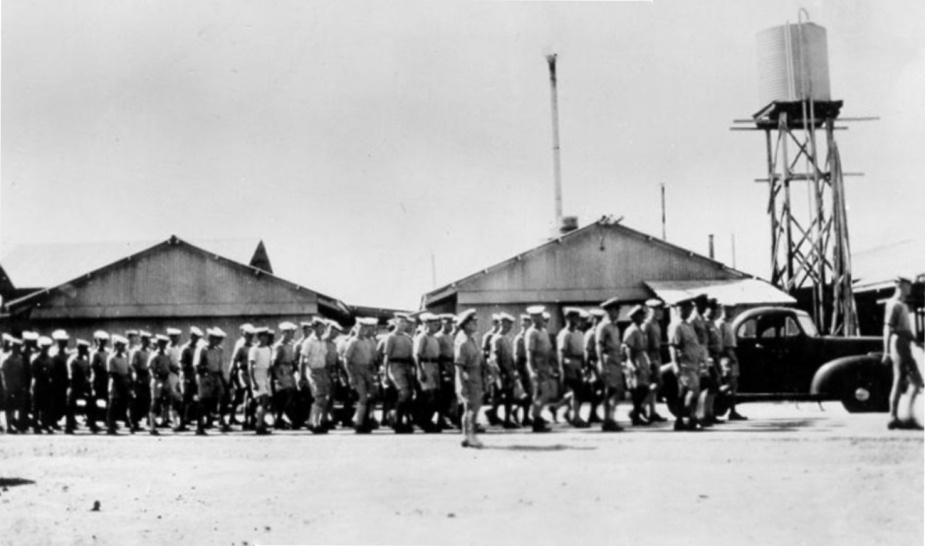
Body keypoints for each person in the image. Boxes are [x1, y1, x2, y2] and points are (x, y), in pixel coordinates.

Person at [883, 276, 923, 429]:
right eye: (908, 285)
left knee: (917, 381)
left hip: (905, 343)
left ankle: (909, 416)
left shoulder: (903, 305)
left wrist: (916, 342)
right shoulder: (893, 304)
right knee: (899, 379)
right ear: (900, 285)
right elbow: (888, 327)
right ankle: (893, 417)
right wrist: (886, 351)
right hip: (898, 343)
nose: (910, 288)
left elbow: (907, 329)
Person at [668, 299, 702, 431]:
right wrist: (675, 365)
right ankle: (690, 418)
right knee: (691, 391)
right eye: (685, 309)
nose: (688, 311)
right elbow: (673, 346)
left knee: (684, 393)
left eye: (689, 309)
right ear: (679, 309)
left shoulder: (687, 325)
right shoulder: (676, 325)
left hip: (693, 364)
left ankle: (681, 420)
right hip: (684, 365)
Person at [455, 309, 484, 448]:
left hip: (475, 376)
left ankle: (467, 436)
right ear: (466, 324)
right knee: (471, 408)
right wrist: (462, 384)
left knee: (473, 408)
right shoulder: (463, 342)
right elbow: (459, 366)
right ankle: (469, 436)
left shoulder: (472, 340)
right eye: (473, 321)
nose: (476, 323)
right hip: (468, 377)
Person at [595, 298, 625, 432]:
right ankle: (608, 420)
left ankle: (610, 419)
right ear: (609, 311)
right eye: (615, 310)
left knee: (617, 391)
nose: (617, 313)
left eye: (618, 310)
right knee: (611, 391)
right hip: (608, 361)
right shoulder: (603, 326)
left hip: (616, 360)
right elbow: (599, 346)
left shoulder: (614, 326)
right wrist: (601, 365)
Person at [383, 313, 416, 433]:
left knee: (409, 393)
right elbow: (386, 357)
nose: (403, 324)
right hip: (395, 365)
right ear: (396, 322)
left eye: (405, 322)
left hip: (407, 366)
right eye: (401, 322)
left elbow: (412, 355)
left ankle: (405, 421)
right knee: (403, 392)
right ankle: (397, 421)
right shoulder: (391, 337)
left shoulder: (407, 337)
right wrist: (386, 374)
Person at [557, 308, 590, 428]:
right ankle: (576, 417)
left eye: (577, 318)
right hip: (569, 364)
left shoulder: (579, 333)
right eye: (573, 317)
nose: (576, 320)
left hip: (579, 365)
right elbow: (561, 353)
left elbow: (582, 353)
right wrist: (562, 370)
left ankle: (567, 413)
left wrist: (585, 366)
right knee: (577, 391)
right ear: (567, 319)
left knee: (580, 392)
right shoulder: (564, 334)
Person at [344, 318, 378, 433]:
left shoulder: (368, 341)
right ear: (355, 329)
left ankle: (365, 421)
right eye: (360, 328)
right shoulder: (353, 341)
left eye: (365, 328)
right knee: (362, 397)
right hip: (357, 371)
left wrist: (373, 369)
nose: (363, 330)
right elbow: (346, 360)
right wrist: (350, 376)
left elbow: (371, 358)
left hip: (367, 371)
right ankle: (358, 424)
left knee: (370, 397)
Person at [525, 305, 555, 432]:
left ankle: (537, 417)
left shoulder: (543, 331)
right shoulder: (531, 332)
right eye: (535, 316)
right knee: (540, 394)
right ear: (532, 318)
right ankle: (536, 419)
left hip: (545, 367)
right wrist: (532, 370)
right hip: (537, 367)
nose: (539, 318)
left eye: (540, 315)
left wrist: (553, 366)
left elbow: (549, 350)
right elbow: (529, 353)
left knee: (545, 394)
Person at [195, 328, 229, 435]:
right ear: (209, 338)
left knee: (223, 397)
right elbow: (197, 366)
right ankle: (200, 426)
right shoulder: (202, 349)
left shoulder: (219, 349)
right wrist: (205, 375)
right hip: (205, 376)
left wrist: (223, 379)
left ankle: (221, 421)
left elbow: (219, 366)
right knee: (203, 401)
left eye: (219, 339)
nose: (217, 341)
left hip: (216, 376)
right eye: (215, 338)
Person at [622, 305, 652, 426]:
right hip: (635, 360)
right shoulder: (631, 330)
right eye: (640, 315)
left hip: (642, 359)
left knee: (644, 388)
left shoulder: (640, 330)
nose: (643, 317)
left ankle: (636, 412)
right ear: (635, 317)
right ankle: (636, 415)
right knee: (638, 390)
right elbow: (628, 348)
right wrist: (633, 365)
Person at [715, 304, 746, 421]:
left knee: (734, 385)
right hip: (725, 357)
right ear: (723, 309)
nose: (732, 311)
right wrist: (727, 356)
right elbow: (720, 344)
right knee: (728, 384)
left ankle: (733, 411)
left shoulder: (728, 324)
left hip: (731, 354)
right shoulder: (720, 324)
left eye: (733, 309)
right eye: (729, 309)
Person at [413, 313, 443, 432]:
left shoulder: (434, 338)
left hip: (434, 366)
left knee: (435, 396)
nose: (436, 326)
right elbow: (416, 355)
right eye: (433, 324)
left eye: (437, 324)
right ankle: (424, 421)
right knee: (429, 396)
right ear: (426, 324)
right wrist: (420, 371)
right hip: (426, 366)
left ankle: (427, 420)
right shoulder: (422, 337)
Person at [300, 317, 330, 433]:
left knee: (323, 398)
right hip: (312, 371)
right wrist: (302, 376)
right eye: (320, 327)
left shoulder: (322, 341)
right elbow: (302, 359)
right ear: (314, 328)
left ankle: (315, 422)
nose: (322, 330)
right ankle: (313, 423)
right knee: (319, 397)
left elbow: (324, 358)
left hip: (322, 371)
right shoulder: (309, 341)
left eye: (323, 327)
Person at [642, 299, 668, 422]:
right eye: (657, 309)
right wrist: (648, 360)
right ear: (649, 310)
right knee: (655, 384)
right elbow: (644, 344)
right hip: (649, 356)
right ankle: (641, 408)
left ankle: (652, 412)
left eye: (660, 309)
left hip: (656, 355)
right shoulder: (646, 324)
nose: (660, 311)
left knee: (655, 385)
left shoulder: (656, 324)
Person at [65, 339, 98, 434]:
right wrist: (83, 379)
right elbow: (73, 374)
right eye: (83, 349)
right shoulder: (72, 360)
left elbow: (88, 371)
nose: (84, 351)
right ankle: (69, 427)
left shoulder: (85, 359)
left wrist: (88, 380)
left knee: (91, 403)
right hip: (74, 384)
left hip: (84, 384)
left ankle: (92, 424)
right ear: (78, 349)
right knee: (71, 405)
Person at [271, 322, 299, 430]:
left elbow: (293, 361)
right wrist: (276, 378)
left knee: (291, 395)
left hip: (289, 372)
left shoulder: (291, 345)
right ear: (284, 333)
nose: (292, 335)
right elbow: (274, 364)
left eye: (293, 332)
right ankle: (285, 419)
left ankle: (285, 419)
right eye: (290, 332)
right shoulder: (279, 346)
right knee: (284, 397)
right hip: (281, 372)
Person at [106, 335, 135, 434]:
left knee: (125, 404)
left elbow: (128, 370)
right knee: (113, 405)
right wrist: (122, 382)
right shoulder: (111, 358)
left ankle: (129, 424)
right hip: (116, 384)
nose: (123, 348)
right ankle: (110, 426)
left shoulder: (124, 357)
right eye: (121, 346)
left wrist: (129, 381)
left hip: (124, 383)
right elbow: (112, 373)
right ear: (116, 346)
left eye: (124, 346)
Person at [229, 324, 256, 429]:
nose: (249, 337)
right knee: (246, 394)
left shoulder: (253, 346)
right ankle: (246, 419)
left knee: (247, 396)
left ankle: (249, 418)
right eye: (247, 335)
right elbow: (234, 361)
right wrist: (232, 375)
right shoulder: (240, 346)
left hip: (250, 372)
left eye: (251, 335)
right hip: (242, 372)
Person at [147, 334, 174, 435]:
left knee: (167, 400)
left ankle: (165, 420)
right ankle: (152, 427)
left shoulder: (166, 355)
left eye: (165, 343)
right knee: (155, 402)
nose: (163, 345)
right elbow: (151, 369)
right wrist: (156, 377)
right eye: (161, 343)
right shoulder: (154, 355)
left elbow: (170, 366)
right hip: (157, 380)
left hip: (166, 379)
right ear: (158, 344)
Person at [177, 327, 203, 432]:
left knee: (197, 401)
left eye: (198, 338)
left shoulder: (199, 348)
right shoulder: (185, 348)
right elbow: (181, 364)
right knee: (185, 401)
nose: (195, 339)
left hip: (195, 378)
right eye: (194, 337)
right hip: (187, 378)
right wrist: (186, 376)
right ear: (191, 336)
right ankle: (182, 423)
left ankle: (199, 425)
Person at [435, 314, 459, 429]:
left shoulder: (450, 337)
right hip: (443, 365)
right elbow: (437, 354)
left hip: (451, 365)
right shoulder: (438, 337)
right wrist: (443, 369)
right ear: (442, 324)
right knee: (443, 395)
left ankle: (448, 417)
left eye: (450, 323)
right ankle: (441, 419)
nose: (449, 325)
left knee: (450, 395)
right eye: (446, 323)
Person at [249, 327, 273, 435]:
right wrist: (253, 382)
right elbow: (250, 367)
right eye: (263, 336)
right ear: (258, 337)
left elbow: (268, 365)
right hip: (257, 374)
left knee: (266, 401)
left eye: (267, 336)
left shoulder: (268, 349)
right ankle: (259, 425)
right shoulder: (254, 349)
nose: (265, 338)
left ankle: (261, 423)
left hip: (265, 375)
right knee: (263, 401)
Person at [584, 309, 606, 425]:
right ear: (592, 320)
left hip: (600, 362)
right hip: (593, 363)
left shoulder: (601, 332)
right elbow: (587, 351)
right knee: (596, 390)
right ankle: (591, 415)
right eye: (596, 319)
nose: (598, 321)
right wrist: (587, 366)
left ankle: (593, 413)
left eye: (600, 319)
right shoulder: (591, 333)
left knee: (601, 390)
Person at [1, 337, 28, 433]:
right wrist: (6, 387)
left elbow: (22, 372)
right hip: (9, 385)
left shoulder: (20, 359)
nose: (16, 349)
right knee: (9, 407)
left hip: (18, 384)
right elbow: (3, 373)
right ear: (11, 348)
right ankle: (8, 426)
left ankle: (15, 424)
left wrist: (22, 384)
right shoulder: (7, 359)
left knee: (16, 406)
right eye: (14, 348)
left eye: (18, 348)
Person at [31, 336, 56, 434]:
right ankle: (35, 425)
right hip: (38, 382)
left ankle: (45, 424)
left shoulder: (50, 359)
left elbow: (52, 371)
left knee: (46, 406)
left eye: (47, 348)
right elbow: (33, 371)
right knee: (37, 406)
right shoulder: (35, 358)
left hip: (47, 384)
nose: (45, 350)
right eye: (43, 348)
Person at [129, 331, 153, 431]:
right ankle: (134, 423)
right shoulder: (136, 351)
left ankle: (146, 420)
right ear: (141, 340)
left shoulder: (149, 351)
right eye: (145, 340)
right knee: (136, 401)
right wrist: (136, 377)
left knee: (146, 400)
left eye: (148, 340)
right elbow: (132, 365)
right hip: (139, 376)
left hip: (147, 376)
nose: (147, 342)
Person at [49, 330, 71, 430]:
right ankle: (52, 422)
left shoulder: (66, 352)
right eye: (62, 341)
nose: (64, 343)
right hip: (55, 380)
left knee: (62, 402)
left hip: (64, 380)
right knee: (54, 402)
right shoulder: (53, 352)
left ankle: (59, 421)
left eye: (65, 341)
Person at [89, 331, 110, 432]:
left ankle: (106, 420)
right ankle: (92, 422)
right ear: (96, 341)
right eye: (100, 341)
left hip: (106, 378)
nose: (102, 343)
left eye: (104, 341)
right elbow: (93, 366)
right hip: (97, 378)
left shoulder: (107, 352)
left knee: (107, 399)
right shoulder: (94, 353)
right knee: (94, 400)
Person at [164, 328, 184, 429]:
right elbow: (168, 364)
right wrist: (176, 371)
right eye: (173, 337)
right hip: (171, 376)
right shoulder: (167, 349)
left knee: (178, 400)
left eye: (177, 337)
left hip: (178, 375)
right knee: (173, 400)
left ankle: (177, 422)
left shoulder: (177, 348)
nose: (176, 339)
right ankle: (174, 423)